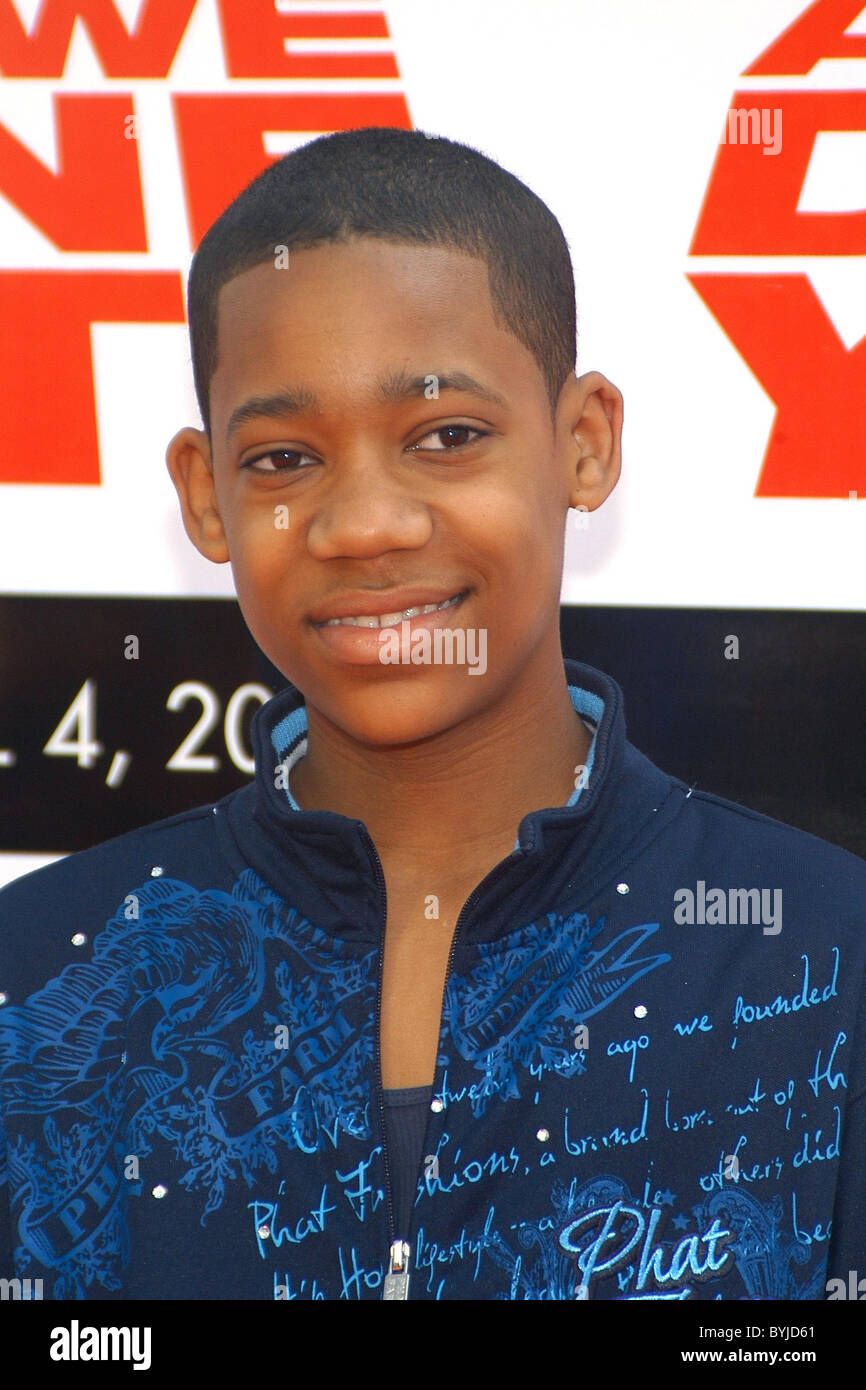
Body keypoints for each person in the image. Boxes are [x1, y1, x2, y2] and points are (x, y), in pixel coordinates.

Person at [0, 126, 863, 1302]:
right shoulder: (41, 967)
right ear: (206, 496)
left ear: (582, 442)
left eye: (446, 436)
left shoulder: (826, 949)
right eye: (285, 457)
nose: (363, 523)